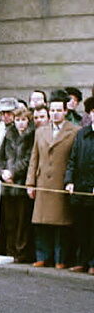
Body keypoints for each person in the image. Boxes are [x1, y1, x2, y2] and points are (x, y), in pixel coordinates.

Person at [26, 94, 79, 269]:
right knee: (41, 222)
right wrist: (30, 183)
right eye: (52, 110)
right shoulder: (41, 131)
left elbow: (75, 159)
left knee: (61, 224)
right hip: (42, 182)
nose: (55, 114)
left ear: (65, 111)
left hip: (61, 182)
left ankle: (60, 259)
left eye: (59, 110)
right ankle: (43, 256)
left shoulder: (74, 131)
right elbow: (34, 158)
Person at [0, 106, 35, 263]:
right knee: (9, 220)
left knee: (22, 221)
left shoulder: (32, 136)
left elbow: (28, 160)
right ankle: (9, 249)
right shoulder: (9, 134)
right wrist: (2, 173)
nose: (20, 123)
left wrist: (12, 172)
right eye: (18, 120)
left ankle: (21, 252)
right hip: (7, 184)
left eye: (23, 120)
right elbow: (0, 157)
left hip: (21, 183)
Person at [65, 96, 94, 273]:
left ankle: (92, 262)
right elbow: (73, 160)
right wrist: (69, 181)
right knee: (81, 226)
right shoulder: (82, 134)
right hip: (80, 188)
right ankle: (82, 260)